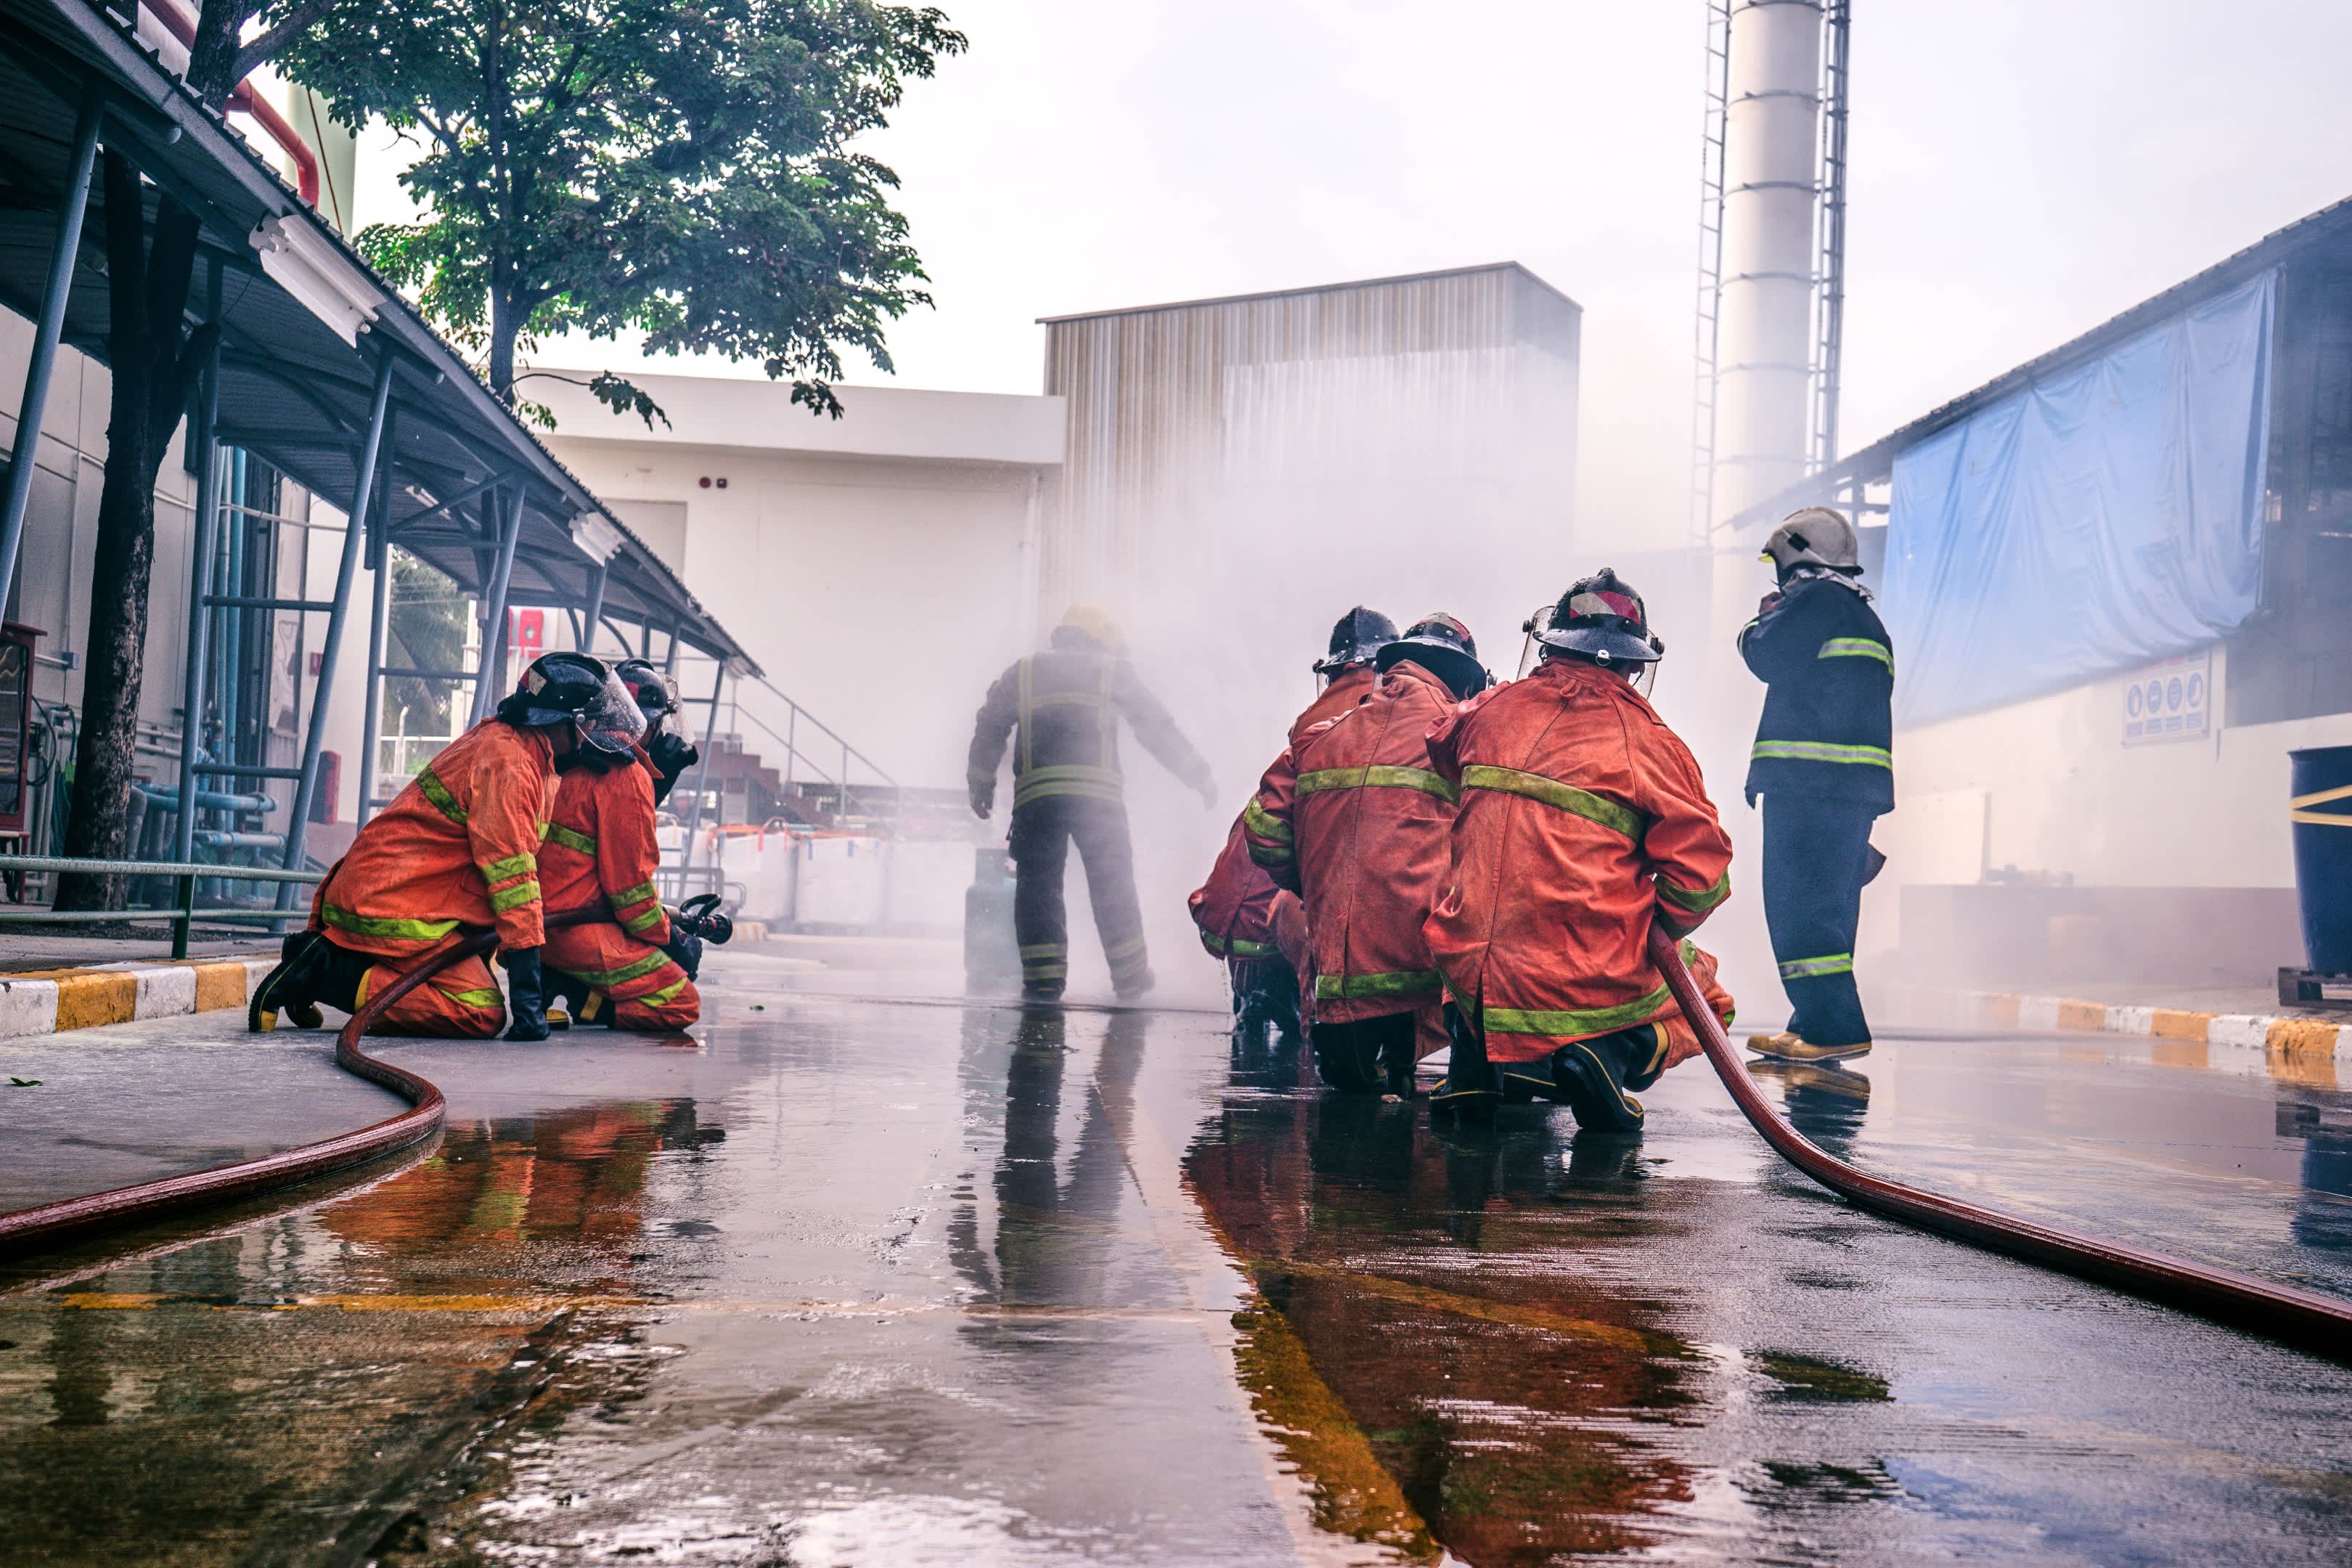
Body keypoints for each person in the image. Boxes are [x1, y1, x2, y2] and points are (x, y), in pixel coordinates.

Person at [1422, 571, 1736, 1132]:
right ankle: (1607, 1058)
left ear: (1550, 644)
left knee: (1466, 909)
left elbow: (1441, 745)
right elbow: (1702, 878)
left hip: (1475, 967)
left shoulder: (1491, 711)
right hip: (1578, 973)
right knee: (1710, 995)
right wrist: (1647, 926)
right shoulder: (1650, 742)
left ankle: (1474, 1067)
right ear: (1635, 664)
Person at [248, 652, 643, 1040]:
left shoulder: (519, 750)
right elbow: (513, 881)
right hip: (395, 903)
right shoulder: (510, 765)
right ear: (560, 721)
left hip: (410, 898)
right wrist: (526, 999)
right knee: (477, 1013)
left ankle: (326, 964)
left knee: (476, 996)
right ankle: (321, 971)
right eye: (588, 722)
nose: (594, 732)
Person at [1244, 614, 1487, 1096]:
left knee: (1346, 1130)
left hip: (1340, 980)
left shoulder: (1318, 737)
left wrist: (1312, 881)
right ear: (1463, 678)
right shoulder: (1463, 736)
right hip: (1430, 974)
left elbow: (1265, 829)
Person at [969, 605, 1217, 1003]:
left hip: (1037, 801)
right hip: (1097, 801)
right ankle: (1131, 978)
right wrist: (1198, 775)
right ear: (1100, 638)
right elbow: (1155, 727)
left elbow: (990, 722)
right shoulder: (1111, 670)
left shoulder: (1025, 671)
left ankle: (1043, 981)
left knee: (1038, 888)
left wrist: (979, 781)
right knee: (1112, 885)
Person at [1188, 606, 1397, 1038]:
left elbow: (1268, 829)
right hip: (1296, 924)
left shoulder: (1307, 734)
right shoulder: (1393, 716)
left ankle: (1265, 995)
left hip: (1233, 920)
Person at [1738, 506, 1892, 1063]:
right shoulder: (1860, 615)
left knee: (1798, 906)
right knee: (1826, 907)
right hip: (1844, 794)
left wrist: (1757, 624)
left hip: (1807, 788)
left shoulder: (1815, 602)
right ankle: (1812, 1022)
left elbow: (1768, 656)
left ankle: (1833, 1027)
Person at [536, 660, 701, 1032]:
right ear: (648, 724)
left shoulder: (568, 760)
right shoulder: (627, 777)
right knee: (681, 1003)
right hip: (573, 931)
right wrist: (673, 941)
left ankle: (572, 985)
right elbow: (631, 898)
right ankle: (589, 1004)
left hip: (532, 931)